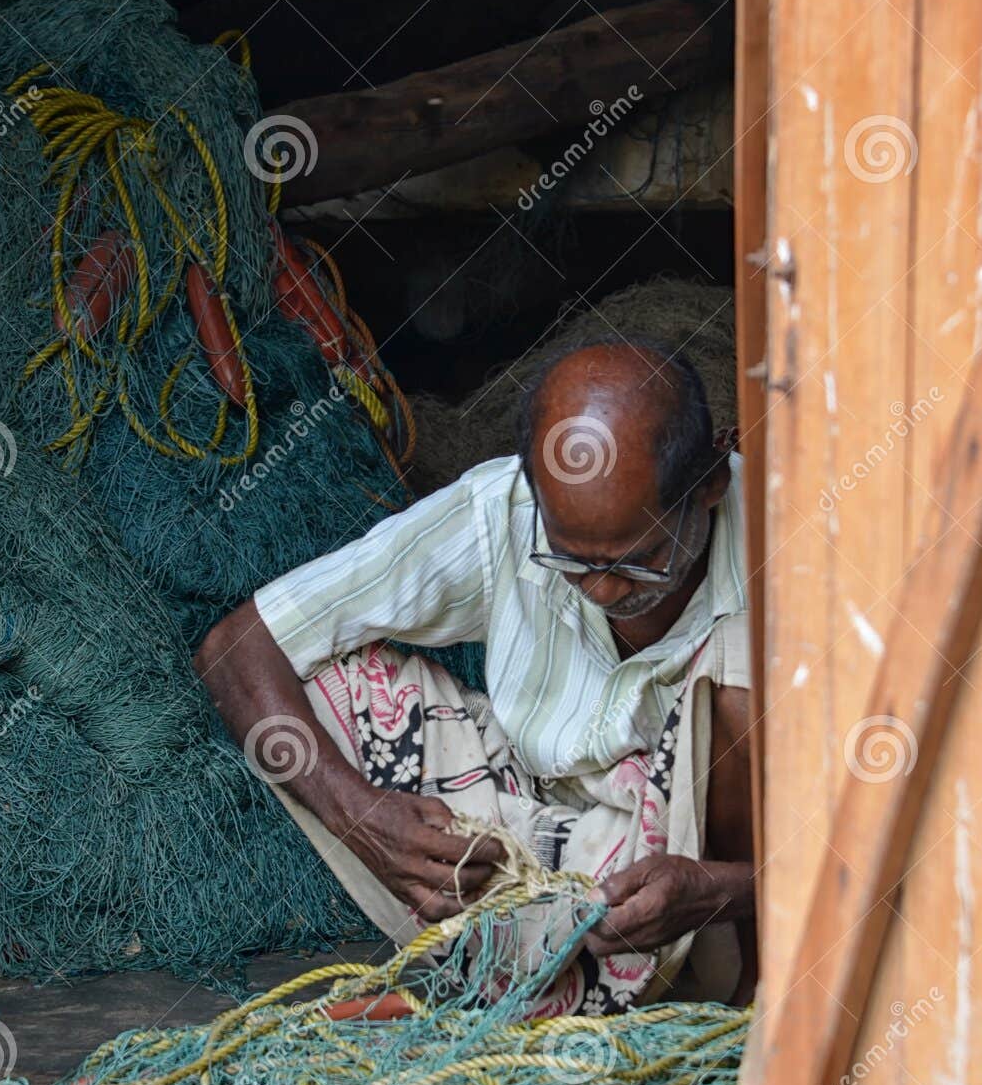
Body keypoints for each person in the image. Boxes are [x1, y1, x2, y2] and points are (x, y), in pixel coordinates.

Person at [197, 333, 756, 1015]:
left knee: (743, 666)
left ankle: (740, 991)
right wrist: (362, 818)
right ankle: (527, 967)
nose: (605, 591)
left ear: (710, 487)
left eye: (638, 562)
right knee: (321, 684)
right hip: (522, 846)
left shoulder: (801, 536)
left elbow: (904, 837)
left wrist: (727, 888)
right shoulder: (504, 510)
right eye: (573, 562)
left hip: (708, 897)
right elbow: (239, 645)